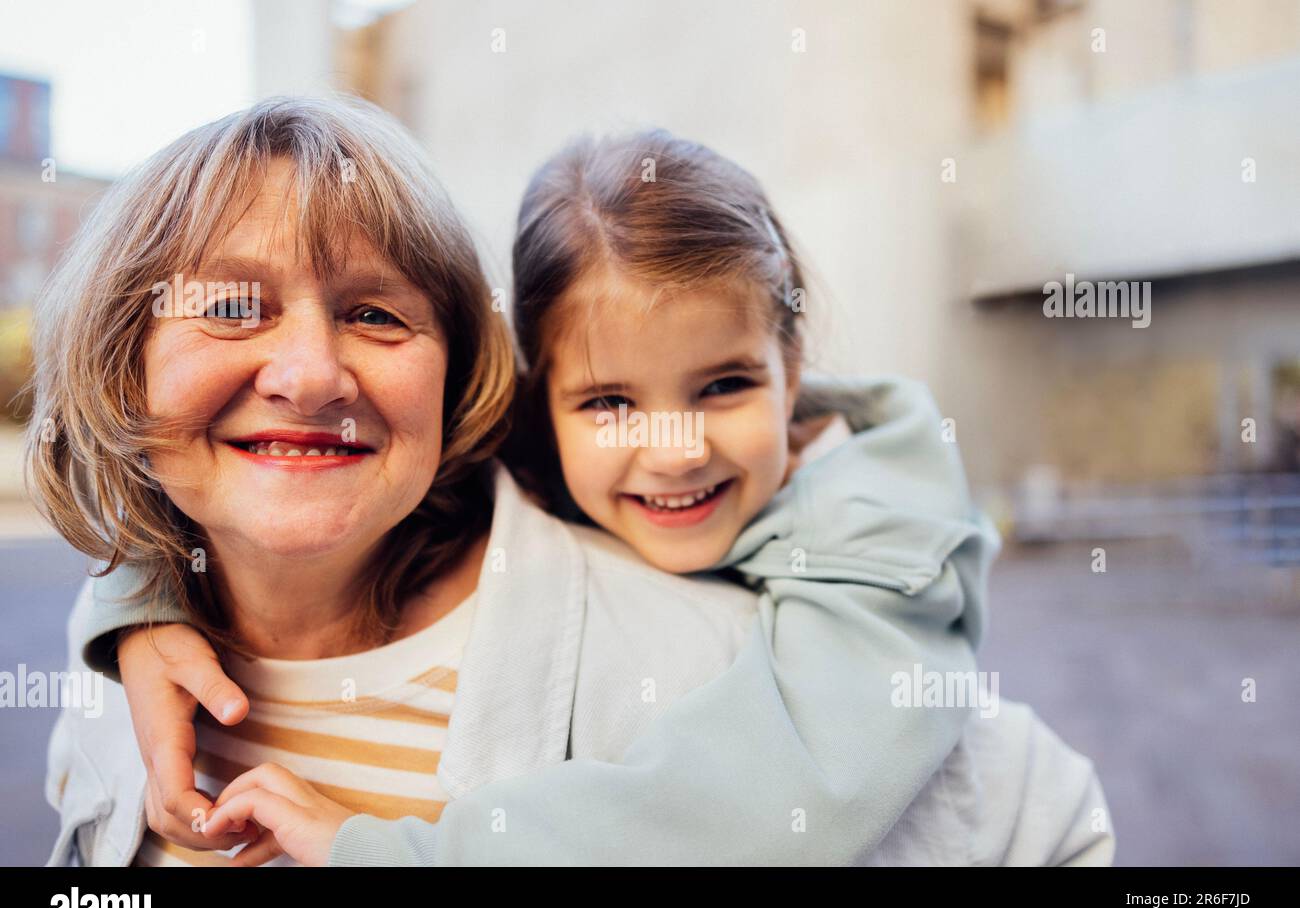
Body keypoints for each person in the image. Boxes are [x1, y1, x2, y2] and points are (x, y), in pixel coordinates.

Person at [32, 99, 1112, 866]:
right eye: (231, 308)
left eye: (374, 313)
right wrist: (136, 605)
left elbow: (1003, 804)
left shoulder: (839, 573)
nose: (674, 450)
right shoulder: (127, 662)